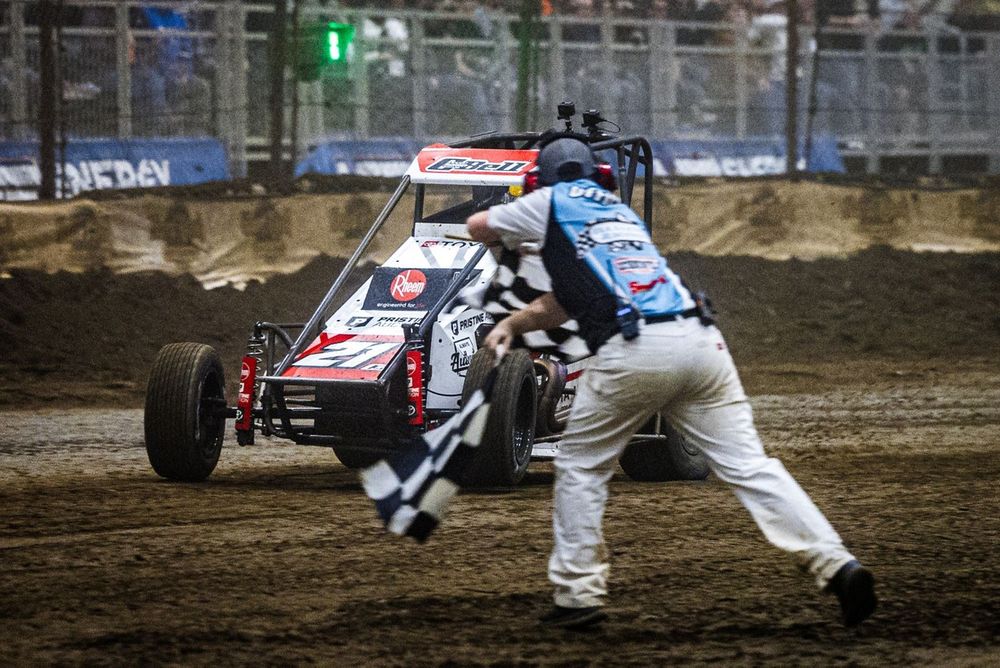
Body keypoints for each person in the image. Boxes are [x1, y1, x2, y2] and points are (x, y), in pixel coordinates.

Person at [465, 136, 878, 630]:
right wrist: (514, 324)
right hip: (701, 343)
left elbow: (477, 226)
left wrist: (518, 238)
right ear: (599, 175)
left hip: (634, 349)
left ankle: (577, 596)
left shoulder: (550, 200)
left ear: (541, 180)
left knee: (580, 466)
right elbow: (566, 301)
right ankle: (838, 565)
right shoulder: (619, 215)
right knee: (750, 467)